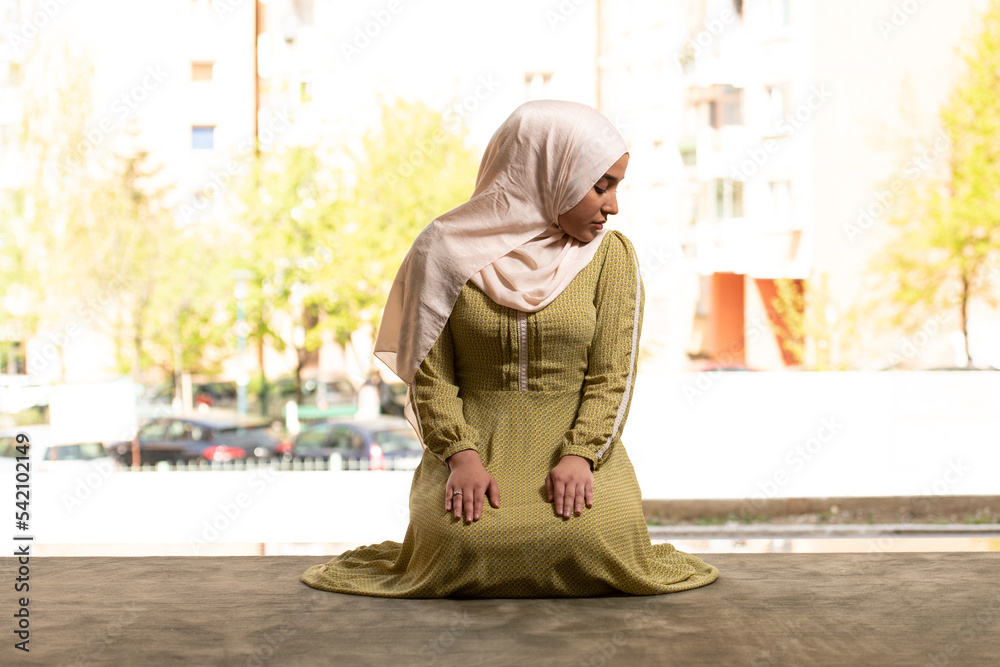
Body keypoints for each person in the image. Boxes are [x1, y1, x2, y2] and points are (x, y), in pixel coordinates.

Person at [301, 100, 719, 598]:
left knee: (587, 538)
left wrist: (582, 456)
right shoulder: (444, 251)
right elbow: (431, 376)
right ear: (548, 173)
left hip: (578, 449)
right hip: (472, 451)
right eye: (600, 185)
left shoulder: (611, 257)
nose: (613, 206)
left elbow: (614, 377)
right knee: (461, 544)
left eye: (617, 186)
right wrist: (461, 455)